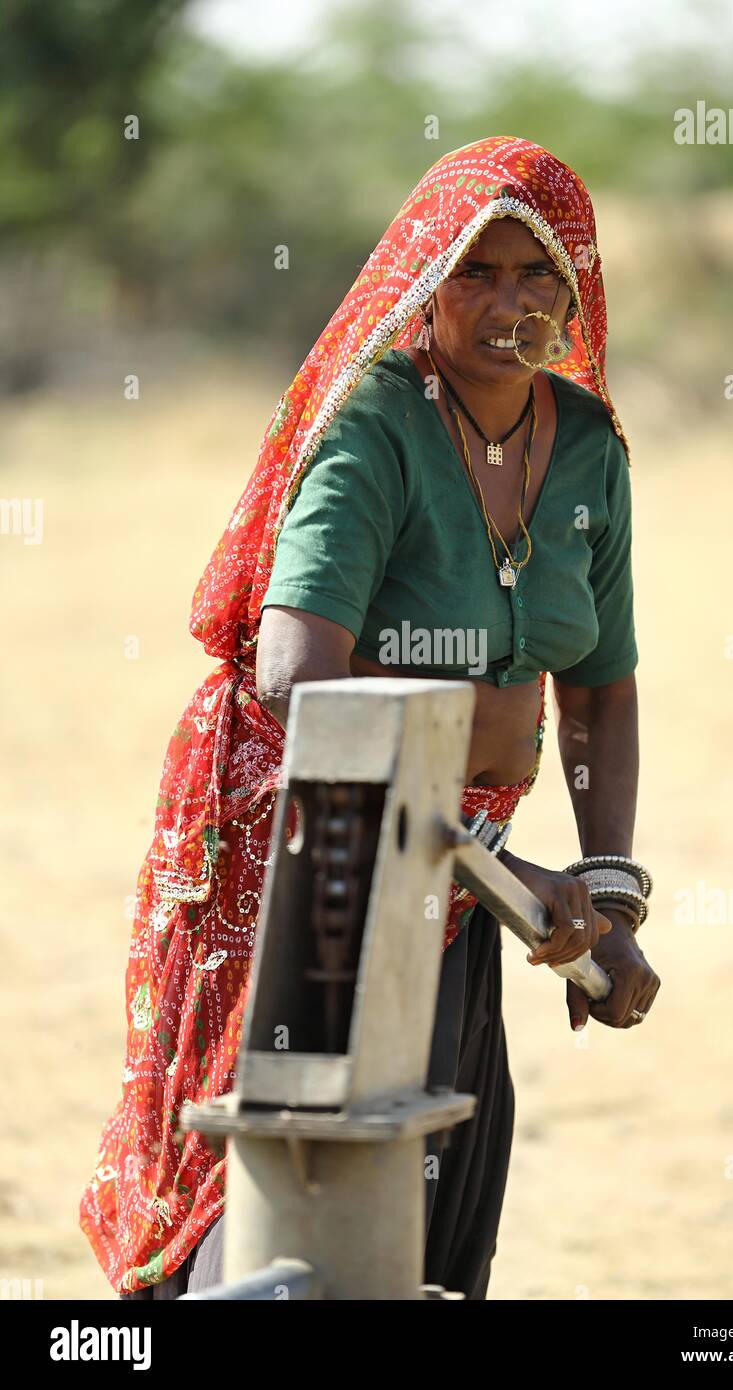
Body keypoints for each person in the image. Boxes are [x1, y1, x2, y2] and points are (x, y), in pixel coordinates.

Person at [80, 135, 660, 1301]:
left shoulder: (588, 449)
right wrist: (488, 858)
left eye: (535, 275)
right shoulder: (375, 429)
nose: (506, 305)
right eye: (472, 273)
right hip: (317, 841)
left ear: (575, 286)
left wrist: (603, 890)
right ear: (425, 282)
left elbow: (596, 684)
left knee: (429, 1179)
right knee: (293, 1170)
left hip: (459, 865)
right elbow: (299, 676)